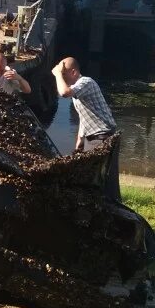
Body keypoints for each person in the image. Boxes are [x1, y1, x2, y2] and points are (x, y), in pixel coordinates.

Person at [52, 57, 120, 201]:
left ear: (74, 72)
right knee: (94, 175)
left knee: (101, 176)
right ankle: (102, 203)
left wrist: (58, 74)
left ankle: (109, 206)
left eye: (64, 75)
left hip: (102, 135)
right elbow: (85, 114)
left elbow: (63, 93)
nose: (62, 79)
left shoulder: (86, 82)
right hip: (94, 135)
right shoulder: (79, 90)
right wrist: (80, 139)